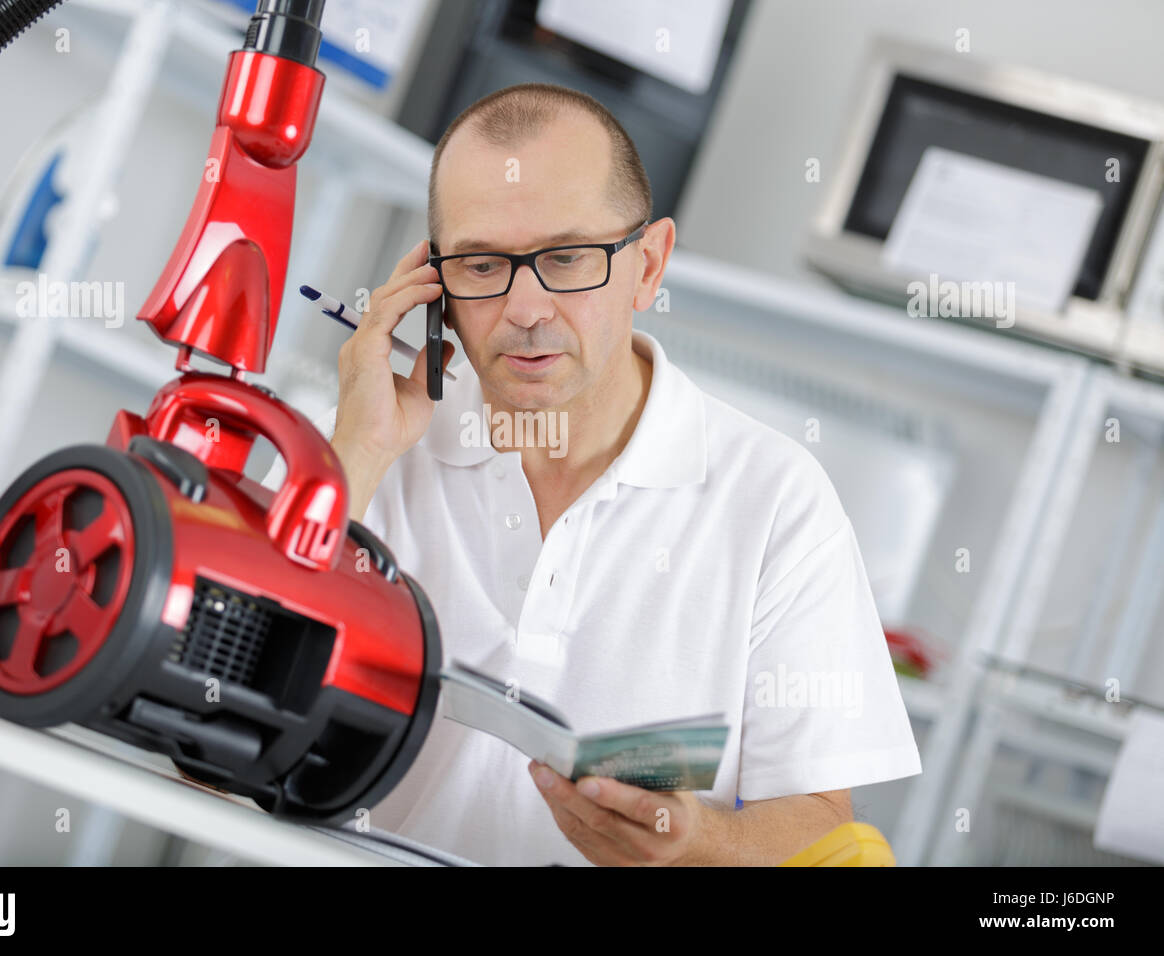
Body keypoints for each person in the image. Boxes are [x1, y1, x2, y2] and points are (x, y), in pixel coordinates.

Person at [265, 82, 921, 866]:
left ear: (649, 266)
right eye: (481, 265)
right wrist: (359, 452)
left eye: (568, 257)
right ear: (433, 285)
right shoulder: (355, 450)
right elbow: (208, 739)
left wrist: (694, 842)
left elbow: (818, 824)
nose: (526, 307)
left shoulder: (778, 501)